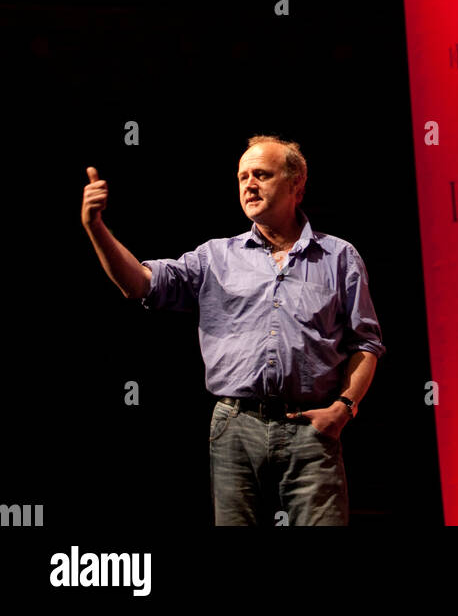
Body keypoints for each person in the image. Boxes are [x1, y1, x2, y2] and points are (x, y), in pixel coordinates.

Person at [81, 134, 386, 526]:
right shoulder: (215, 257)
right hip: (235, 428)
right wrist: (96, 227)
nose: (249, 184)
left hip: (311, 430)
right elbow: (139, 284)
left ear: (296, 185)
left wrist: (343, 409)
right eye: (242, 176)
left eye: (262, 174)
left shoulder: (339, 256)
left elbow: (367, 343)